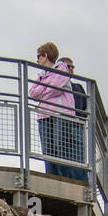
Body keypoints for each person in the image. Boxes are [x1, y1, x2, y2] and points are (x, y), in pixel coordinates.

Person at [29, 43, 74, 177]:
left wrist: (43, 92)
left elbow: (55, 87)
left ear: (45, 55)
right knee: (48, 151)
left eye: (39, 56)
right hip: (44, 115)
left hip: (61, 113)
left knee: (61, 147)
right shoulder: (41, 75)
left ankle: (64, 179)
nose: (37, 60)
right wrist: (46, 90)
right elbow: (32, 93)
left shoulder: (61, 68)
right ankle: (52, 178)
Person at [58, 57, 89, 182]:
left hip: (76, 125)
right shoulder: (57, 85)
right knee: (61, 154)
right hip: (60, 124)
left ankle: (80, 182)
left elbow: (86, 107)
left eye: (72, 67)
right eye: (68, 66)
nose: (70, 69)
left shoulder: (78, 87)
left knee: (77, 157)